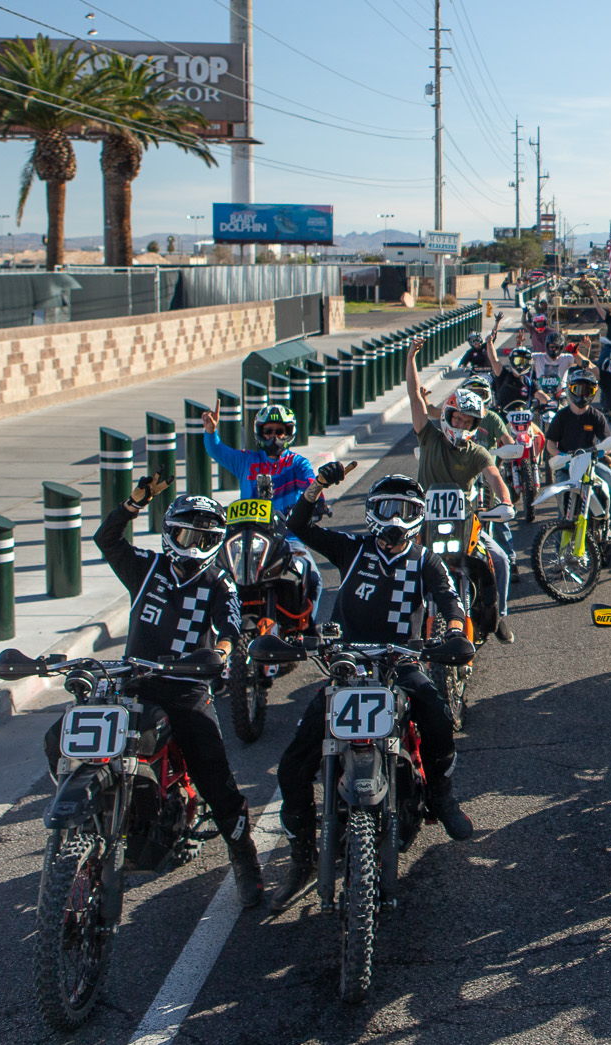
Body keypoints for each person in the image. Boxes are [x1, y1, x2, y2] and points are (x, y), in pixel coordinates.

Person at [277, 467, 475, 903]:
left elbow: (450, 603)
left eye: (405, 510)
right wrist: (316, 487)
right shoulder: (351, 549)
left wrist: (457, 632)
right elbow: (298, 527)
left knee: (440, 718)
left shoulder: (426, 560)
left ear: (418, 516)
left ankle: (441, 796)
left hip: (400, 663)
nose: (395, 519)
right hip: (347, 666)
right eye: (388, 508)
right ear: (372, 513)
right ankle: (302, 854)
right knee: (293, 763)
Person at [78, 475, 261, 906]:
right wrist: (132, 503)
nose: (193, 544)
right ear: (169, 532)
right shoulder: (146, 568)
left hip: (185, 688)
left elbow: (230, 627)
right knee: (71, 740)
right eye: (185, 533)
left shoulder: (219, 582)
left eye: (204, 537)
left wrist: (219, 651)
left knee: (215, 777)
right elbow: (107, 540)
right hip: (134, 684)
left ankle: (244, 857)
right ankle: (86, 827)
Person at [409, 368, 518, 643]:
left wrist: (505, 499)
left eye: (467, 421)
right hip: (424, 524)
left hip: (466, 525)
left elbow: (494, 476)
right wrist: (411, 358)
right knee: (399, 566)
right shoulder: (429, 437)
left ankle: (499, 615)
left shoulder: (477, 452)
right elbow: (414, 396)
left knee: (501, 561)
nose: (460, 424)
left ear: (473, 425)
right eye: (457, 417)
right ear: (447, 415)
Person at [200, 402, 316, 520]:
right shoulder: (246, 461)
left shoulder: (298, 463)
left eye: (279, 432)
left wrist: (319, 503)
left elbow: (312, 486)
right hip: (248, 530)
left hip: (287, 533)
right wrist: (211, 431)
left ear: (288, 433)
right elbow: (216, 450)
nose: (273, 436)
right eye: (268, 431)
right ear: (260, 433)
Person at [546, 370, 611, 538]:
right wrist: (562, 456)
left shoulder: (596, 416)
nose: (582, 395)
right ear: (570, 389)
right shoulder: (561, 416)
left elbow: (608, 443)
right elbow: (550, 444)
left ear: (594, 392)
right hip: (566, 467)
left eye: (587, 391)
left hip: (591, 465)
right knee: (562, 507)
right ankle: (560, 549)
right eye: (578, 389)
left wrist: (602, 451)